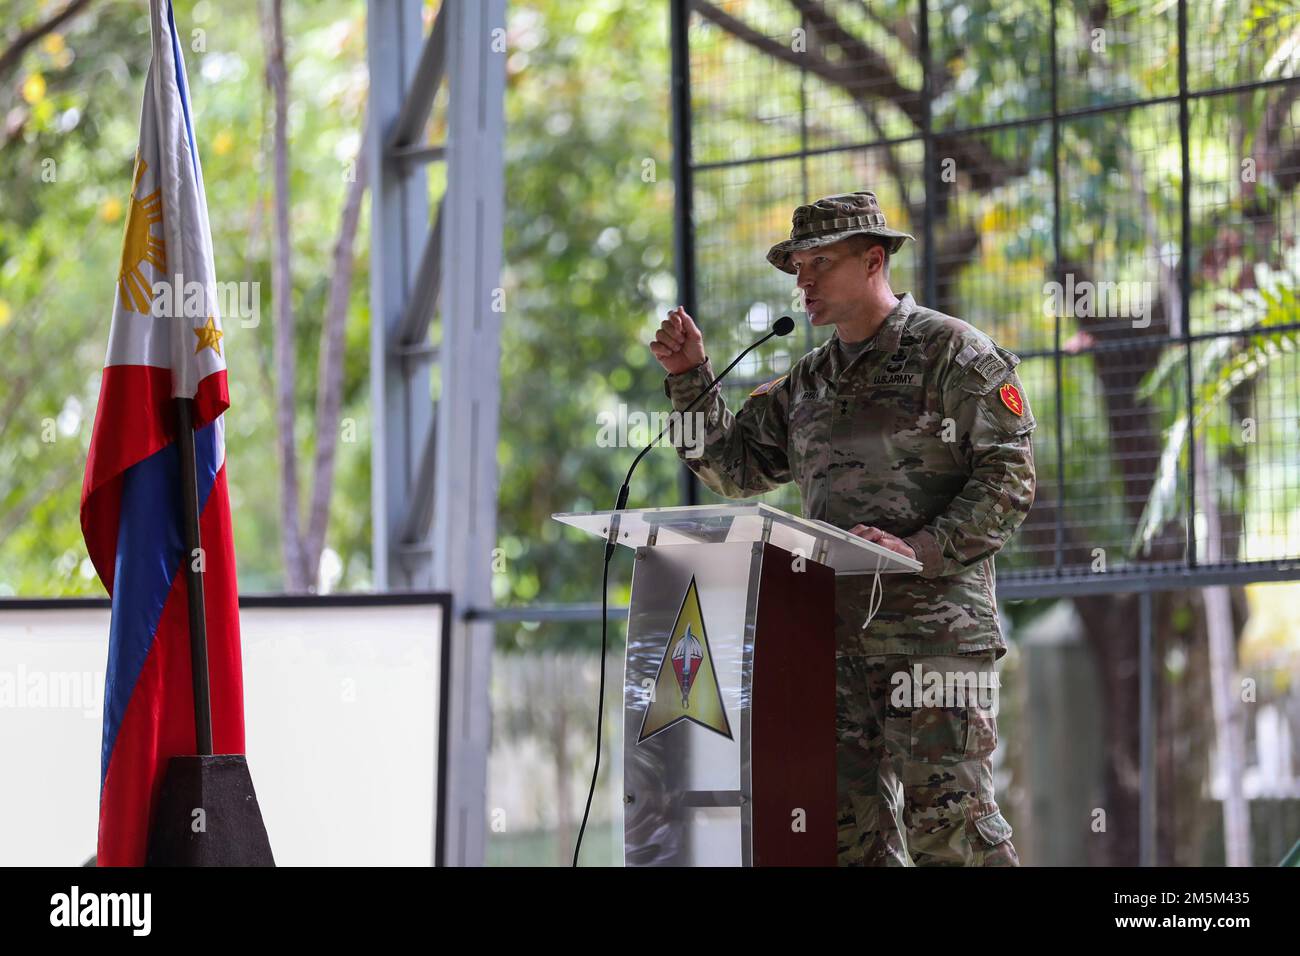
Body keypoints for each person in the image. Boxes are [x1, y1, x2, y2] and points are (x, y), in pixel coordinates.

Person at [649, 190, 1035, 866]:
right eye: (796, 269)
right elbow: (733, 469)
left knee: (951, 833)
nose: (803, 283)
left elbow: (1010, 479)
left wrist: (922, 549)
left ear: (873, 260)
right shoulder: (808, 384)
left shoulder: (954, 355)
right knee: (840, 839)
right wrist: (688, 380)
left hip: (934, 640)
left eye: (819, 264)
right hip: (832, 645)